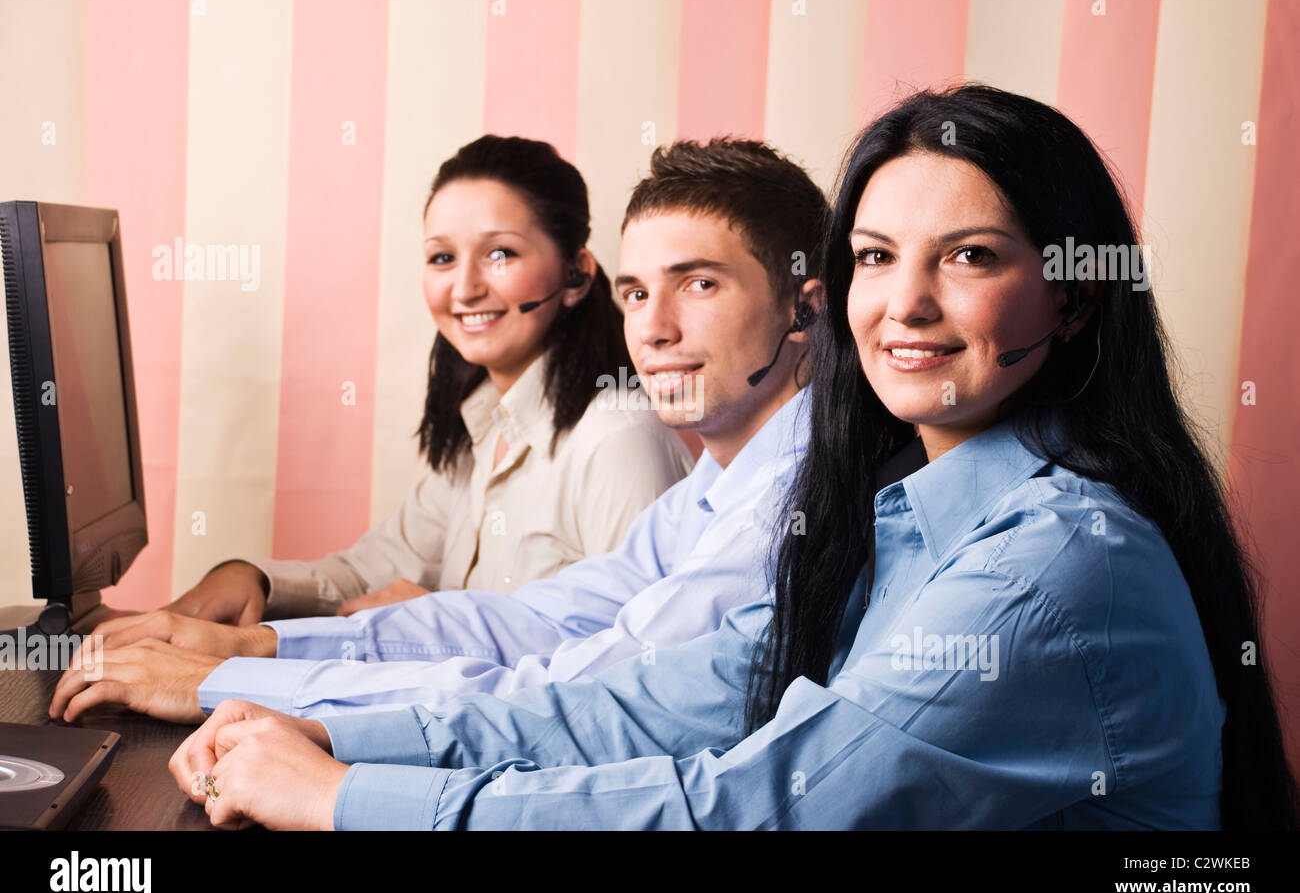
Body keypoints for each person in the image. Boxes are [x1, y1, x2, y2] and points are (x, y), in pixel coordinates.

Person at [169, 84, 1295, 830]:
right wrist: (320, 723)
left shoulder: (1049, 569)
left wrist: (343, 796)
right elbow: (652, 701)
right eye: (875, 257)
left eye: (966, 258)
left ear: (1073, 293)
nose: (903, 304)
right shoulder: (897, 513)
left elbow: (754, 813)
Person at [50, 137, 830, 725]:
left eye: (698, 283)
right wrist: (257, 639)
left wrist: (241, 681)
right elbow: (541, 619)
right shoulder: (712, 481)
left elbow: (584, 691)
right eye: (637, 293)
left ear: (807, 308)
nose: (653, 329)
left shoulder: (726, 475)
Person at [151, 134, 694, 626]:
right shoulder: (482, 431)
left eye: (500, 253)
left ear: (576, 275)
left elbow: (635, 667)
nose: (464, 288)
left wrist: (438, 625)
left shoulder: (620, 439)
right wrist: (252, 577)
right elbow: (368, 571)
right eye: (442, 258)